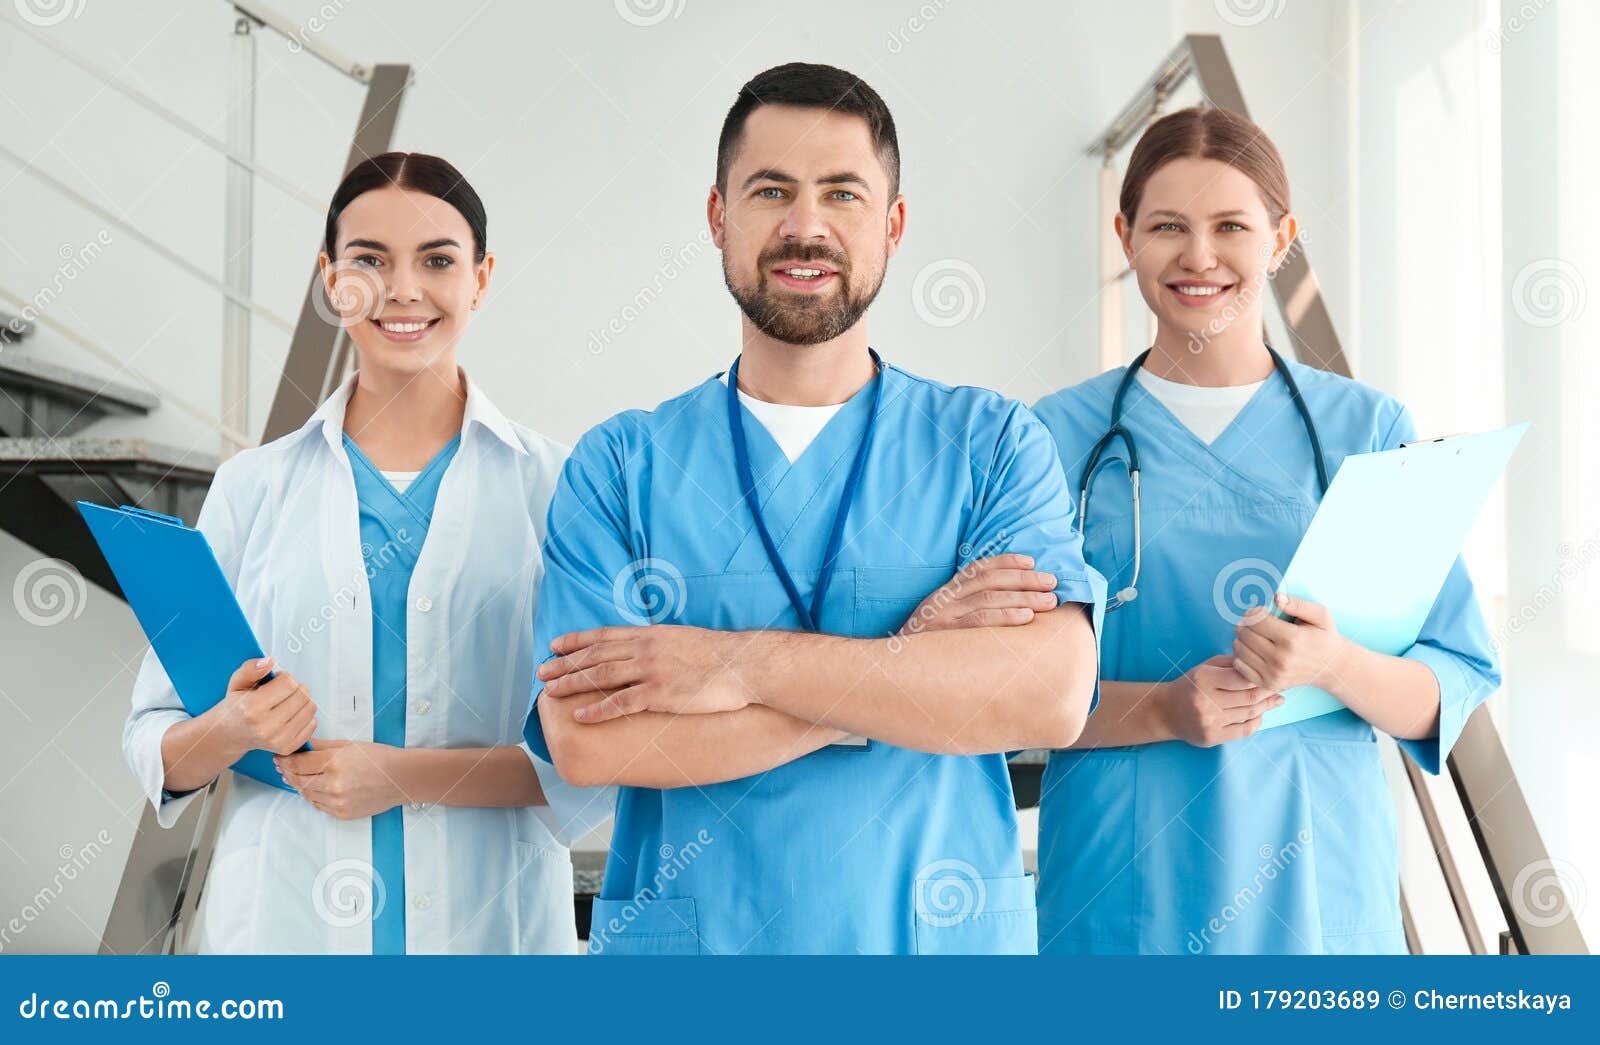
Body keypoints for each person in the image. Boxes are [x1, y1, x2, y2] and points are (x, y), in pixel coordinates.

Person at [523, 62, 1105, 955]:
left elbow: (1051, 694)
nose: (806, 226)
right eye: (771, 191)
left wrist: (732, 666)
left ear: (893, 225)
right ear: (718, 216)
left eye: (842, 192)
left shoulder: (990, 444)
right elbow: (590, 744)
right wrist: (908, 668)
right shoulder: (621, 465)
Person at [1030, 106, 1501, 954]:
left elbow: (1447, 685)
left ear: (1281, 238)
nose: (1199, 256)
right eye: (1168, 226)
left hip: (1318, 891)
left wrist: (1335, 663)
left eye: (1231, 227)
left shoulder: (1365, 427)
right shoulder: (1054, 436)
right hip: (1122, 886)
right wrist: (1165, 711)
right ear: (1126, 235)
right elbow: (1007, 698)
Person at [123, 152, 610, 953]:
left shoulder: (559, 487)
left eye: (438, 261)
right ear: (330, 279)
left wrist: (401, 775)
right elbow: (157, 742)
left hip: (490, 937)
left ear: (481, 278)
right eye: (370, 261)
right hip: (285, 934)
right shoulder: (253, 488)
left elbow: (590, 760)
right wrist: (234, 724)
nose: (402, 290)